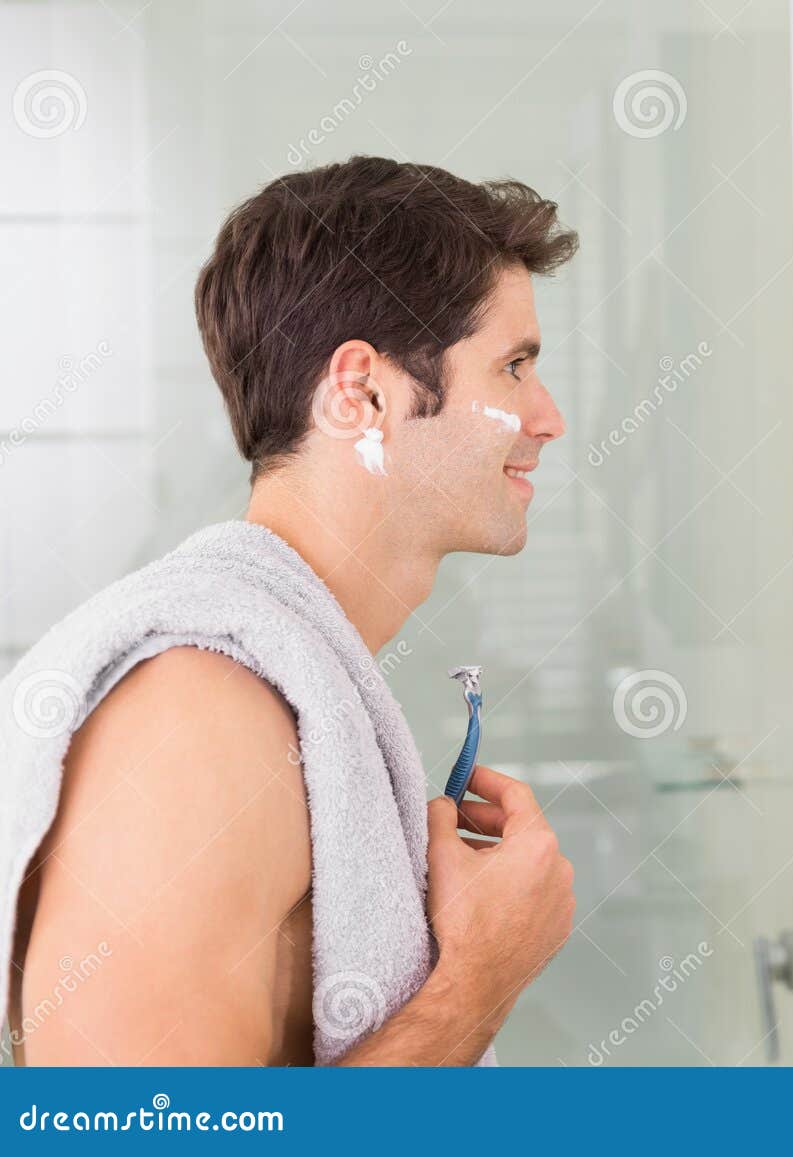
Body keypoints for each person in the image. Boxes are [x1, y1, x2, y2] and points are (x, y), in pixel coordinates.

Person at [5, 157, 577, 1065]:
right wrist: (482, 979)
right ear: (363, 393)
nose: (547, 417)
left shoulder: (289, 683)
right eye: (512, 367)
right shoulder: (196, 716)